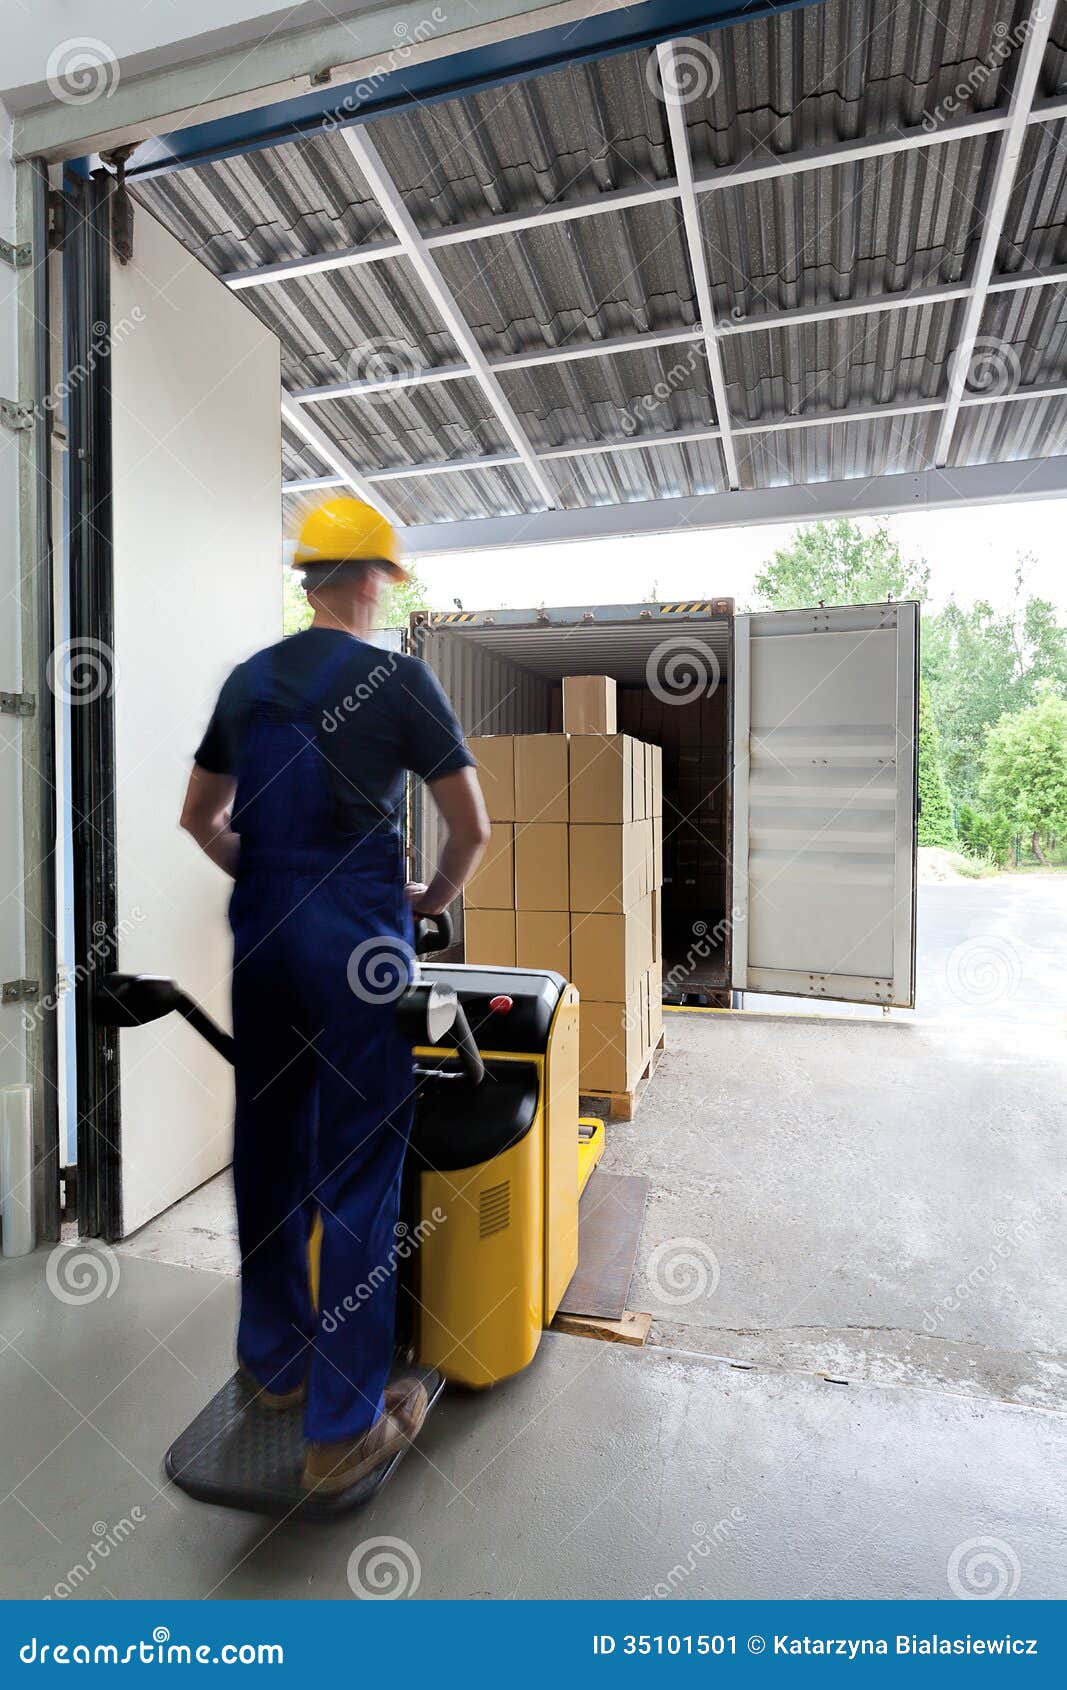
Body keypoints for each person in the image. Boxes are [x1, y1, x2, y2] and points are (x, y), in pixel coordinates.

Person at [179, 497, 489, 1495]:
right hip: (359, 939)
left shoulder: (248, 681)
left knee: (268, 1144)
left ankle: (274, 1365)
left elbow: (199, 819)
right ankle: (339, 1430)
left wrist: (268, 874)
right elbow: (470, 828)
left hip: (264, 935)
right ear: (366, 580)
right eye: (383, 577)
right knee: (357, 1166)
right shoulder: (396, 681)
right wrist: (430, 898)